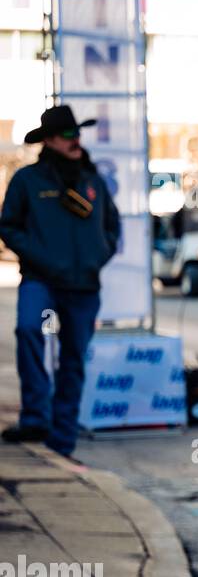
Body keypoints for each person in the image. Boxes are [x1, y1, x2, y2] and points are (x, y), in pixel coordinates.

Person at [0, 105, 120, 459]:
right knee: (28, 330)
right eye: (68, 135)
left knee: (73, 359)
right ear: (50, 140)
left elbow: (112, 226)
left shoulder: (91, 179)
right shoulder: (27, 180)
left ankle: (62, 438)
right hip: (41, 279)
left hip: (83, 286)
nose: (76, 140)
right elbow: (8, 226)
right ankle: (36, 416)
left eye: (77, 133)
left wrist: (99, 255)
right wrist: (39, 256)